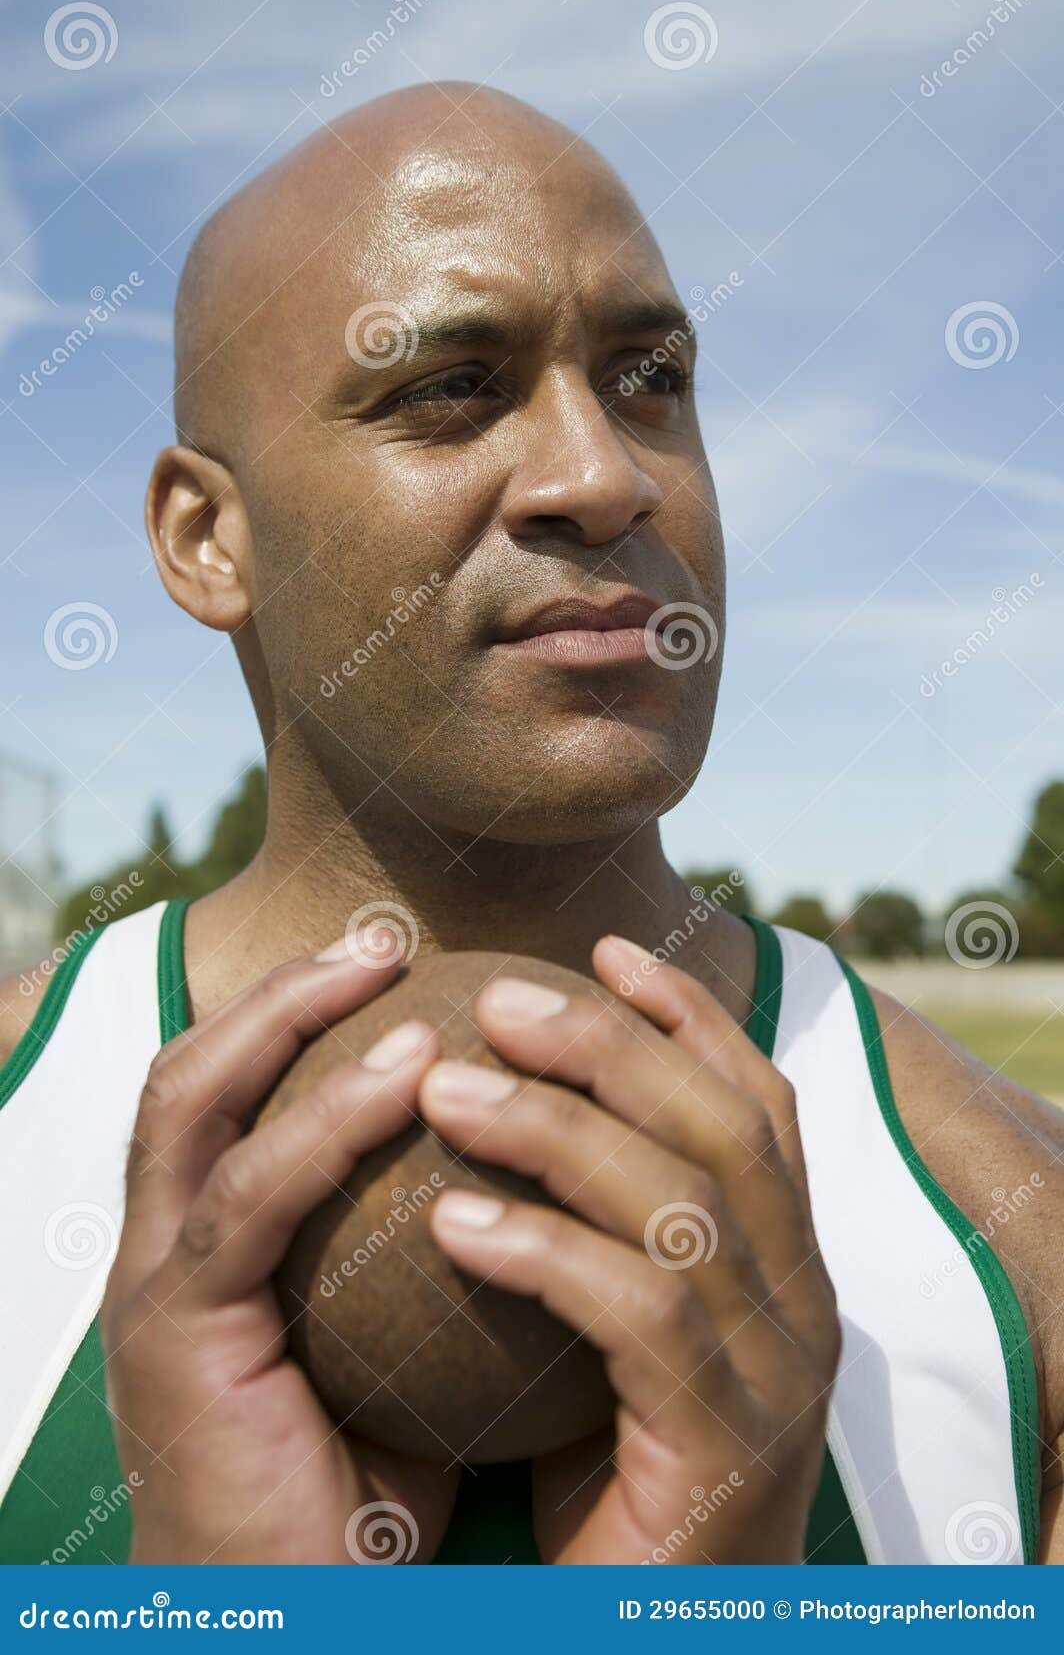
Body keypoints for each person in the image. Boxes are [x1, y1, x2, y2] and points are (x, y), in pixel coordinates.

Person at [0, 82, 1060, 1566]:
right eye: (450, 386)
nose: (602, 476)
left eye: (647, 378)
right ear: (206, 537)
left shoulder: (1029, 1232)